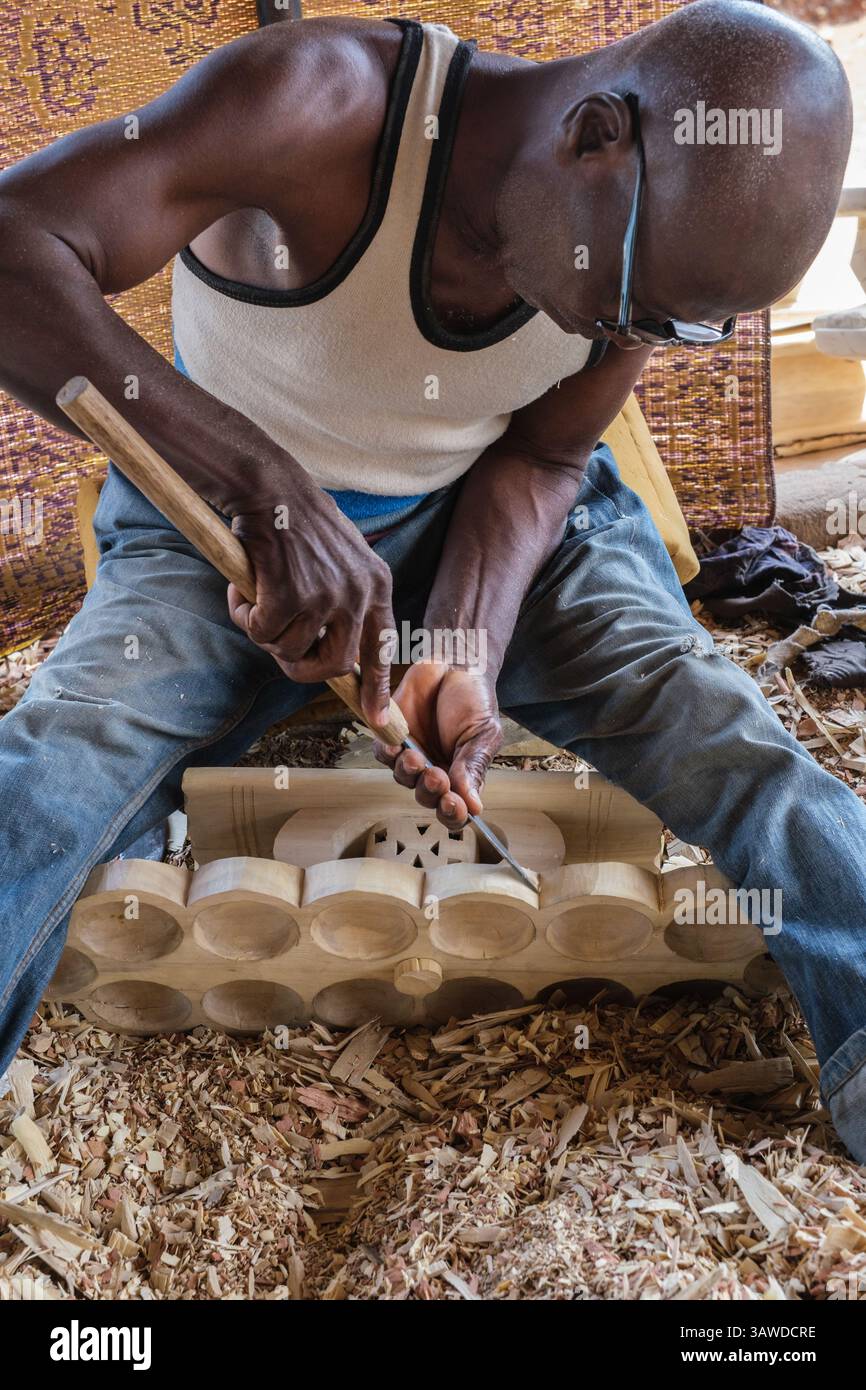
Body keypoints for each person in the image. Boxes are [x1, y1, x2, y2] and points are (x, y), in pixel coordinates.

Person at [1, 0, 863, 1157]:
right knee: (70, 750)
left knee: (717, 730)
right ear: (593, 133)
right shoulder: (318, 102)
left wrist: (458, 645)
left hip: (504, 510)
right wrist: (268, 496)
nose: (627, 332)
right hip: (211, 505)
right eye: (629, 301)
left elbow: (546, 453)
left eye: (665, 323)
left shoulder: (635, 260)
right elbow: (13, 247)